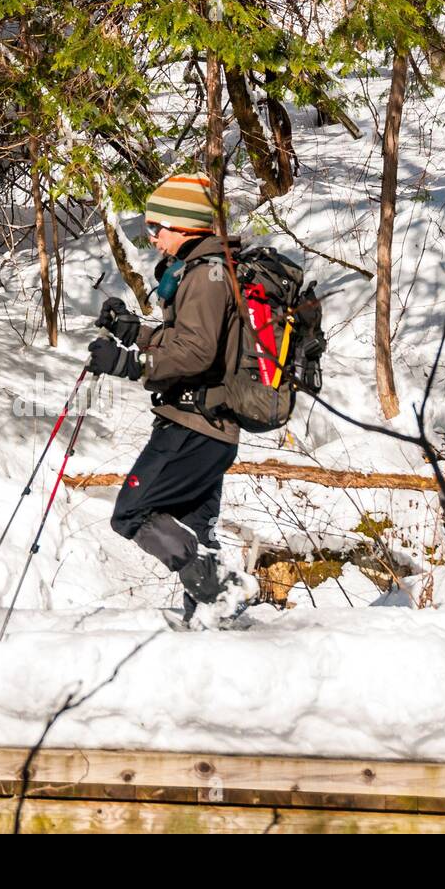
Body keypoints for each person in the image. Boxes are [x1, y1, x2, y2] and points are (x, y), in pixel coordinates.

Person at [87, 172, 256, 627]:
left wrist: (130, 364)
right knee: (196, 532)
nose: (152, 237)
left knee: (131, 513)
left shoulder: (206, 274)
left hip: (193, 423)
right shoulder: (209, 269)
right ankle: (213, 624)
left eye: (157, 227)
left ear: (184, 225)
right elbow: (191, 339)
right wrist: (134, 331)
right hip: (212, 425)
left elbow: (196, 352)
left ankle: (222, 589)